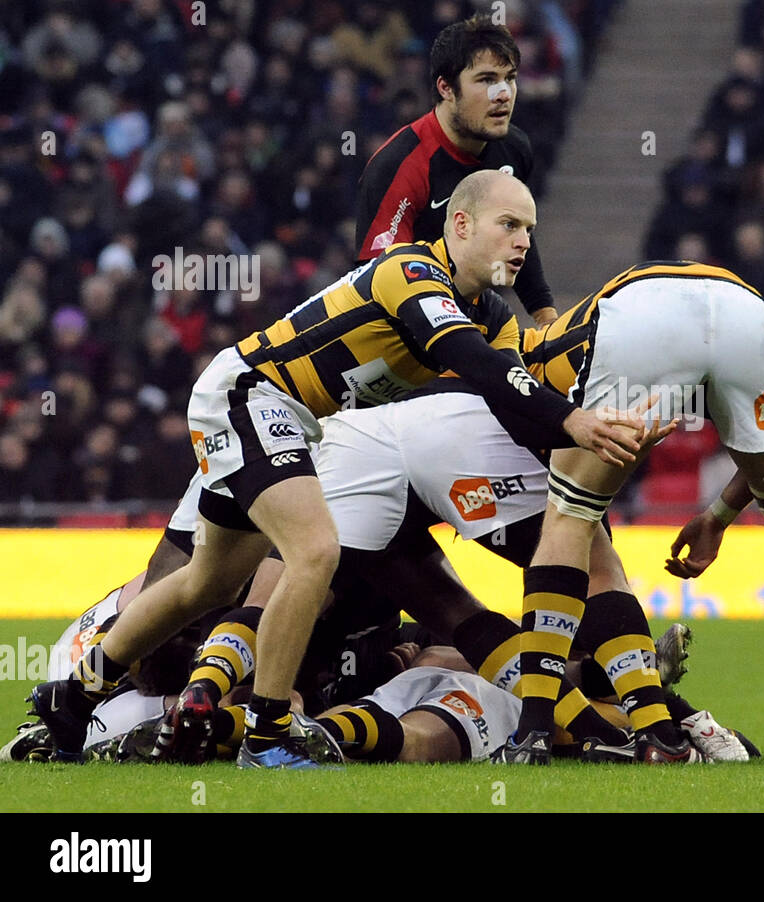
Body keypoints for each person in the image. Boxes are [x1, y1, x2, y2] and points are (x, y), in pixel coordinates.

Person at [28, 171, 648, 768]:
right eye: (509, 224)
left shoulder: (491, 317)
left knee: (208, 585)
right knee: (316, 552)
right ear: (460, 224)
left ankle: (71, 697)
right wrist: (573, 423)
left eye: (531, 230)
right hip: (249, 396)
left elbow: (514, 394)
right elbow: (471, 362)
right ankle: (268, 734)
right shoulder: (411, 272)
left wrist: (601, 425)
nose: (523, 243)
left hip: (291, 422)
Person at [497, 260, 764, 765]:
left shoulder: (527, 356)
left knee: (570, 517)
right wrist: (718, 515)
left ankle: (532, 736)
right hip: (746, 312)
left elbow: (552, 445)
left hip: (642, 316)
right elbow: (763, 458)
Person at [356, 15, 558, 326]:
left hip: (467, 320)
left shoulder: (515, 148)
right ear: (446, 88)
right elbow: (381, 289)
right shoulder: (397, 167)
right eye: (487, 80)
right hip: (400, 336)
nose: (503, 93)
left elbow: (517, 237)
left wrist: (546, 316)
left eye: (510, 78)